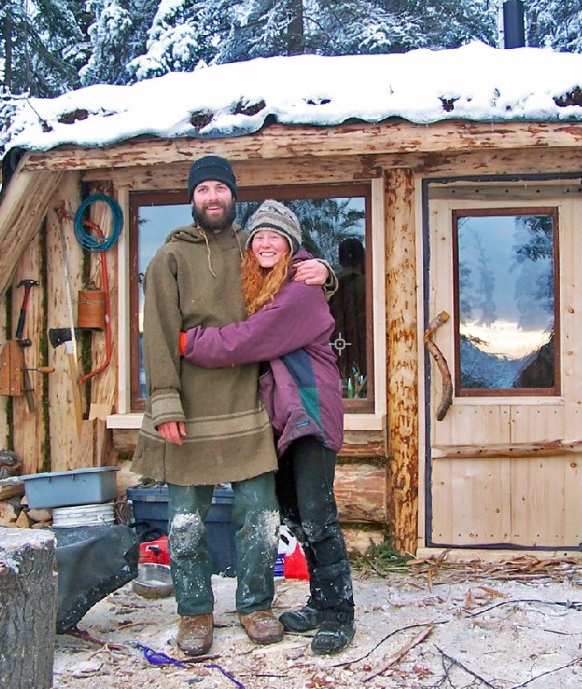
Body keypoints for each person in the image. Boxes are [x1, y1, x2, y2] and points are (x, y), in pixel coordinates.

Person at [132, 157, 331, 657]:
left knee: (259, 513)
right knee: (185, 521)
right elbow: (158, 335)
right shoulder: (168, 258)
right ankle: (194, 612)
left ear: (233, 195)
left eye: (221, 187)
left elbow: (284, 257)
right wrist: (164, 402)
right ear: (193, 199)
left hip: (247, 404)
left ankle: (255, 604)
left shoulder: (249, 245)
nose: (214, 197)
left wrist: (322, 269)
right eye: (204, 190)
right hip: (188, 407)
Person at [181, 200, 355, 656]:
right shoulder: (261, 285)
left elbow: (248, 339)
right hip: (284, 417)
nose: (264, 242)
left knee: (318, 515)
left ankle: (339, 613)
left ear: (290, 244)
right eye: (258, 235)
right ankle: (320, 600)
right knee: (296, 514)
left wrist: (189, 342)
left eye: (274, 236)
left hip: (310, 415)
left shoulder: (299, 292)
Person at [329, 237, 366, 397]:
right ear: (363, 259)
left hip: (335, 346)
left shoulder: (331, 286)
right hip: (361, 346)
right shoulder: (368, 284)